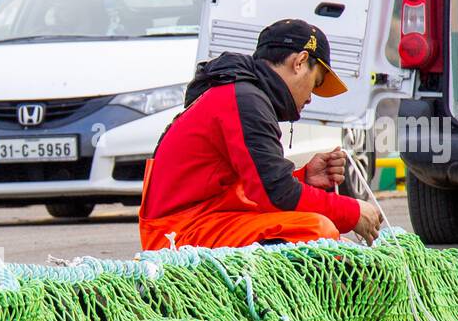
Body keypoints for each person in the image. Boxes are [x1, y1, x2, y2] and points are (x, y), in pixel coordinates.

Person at [139, 19, 383, 250]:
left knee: (319, 231)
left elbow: (253, 189)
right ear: (300, 62)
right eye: (316, 82)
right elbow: (276, 194)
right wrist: (352, 212)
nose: (311, 96)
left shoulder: (240, 93)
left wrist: (303, 178)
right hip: (179, 234)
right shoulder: (246, 100)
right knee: (317, 232)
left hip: (194, 223)